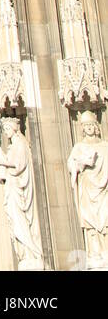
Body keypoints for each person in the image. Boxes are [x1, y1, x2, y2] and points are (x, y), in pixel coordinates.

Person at [0, 116, 43, 268]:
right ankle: (25, 254)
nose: (5, 132)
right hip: (12, 188)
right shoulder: (13, 145)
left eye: (7, 129)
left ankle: (32, 252)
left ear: (15, 128)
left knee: (20, 219)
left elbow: (18, 165)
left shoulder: (20, 143)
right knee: (15, 220)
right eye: (4, 129)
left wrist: (2, 160)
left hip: (19, 190)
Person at [68, 111, 108, 267]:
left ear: (96, 126)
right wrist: (82, 163)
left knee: (105, 220)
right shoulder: (79, 147)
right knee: (91, 223)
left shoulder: (105, 146)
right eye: (86, 126)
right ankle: (94, 253)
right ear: (82, 128)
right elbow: (71, 165)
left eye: (91, 125)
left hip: (103, 191)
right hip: (87, 190)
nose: (89, 128)